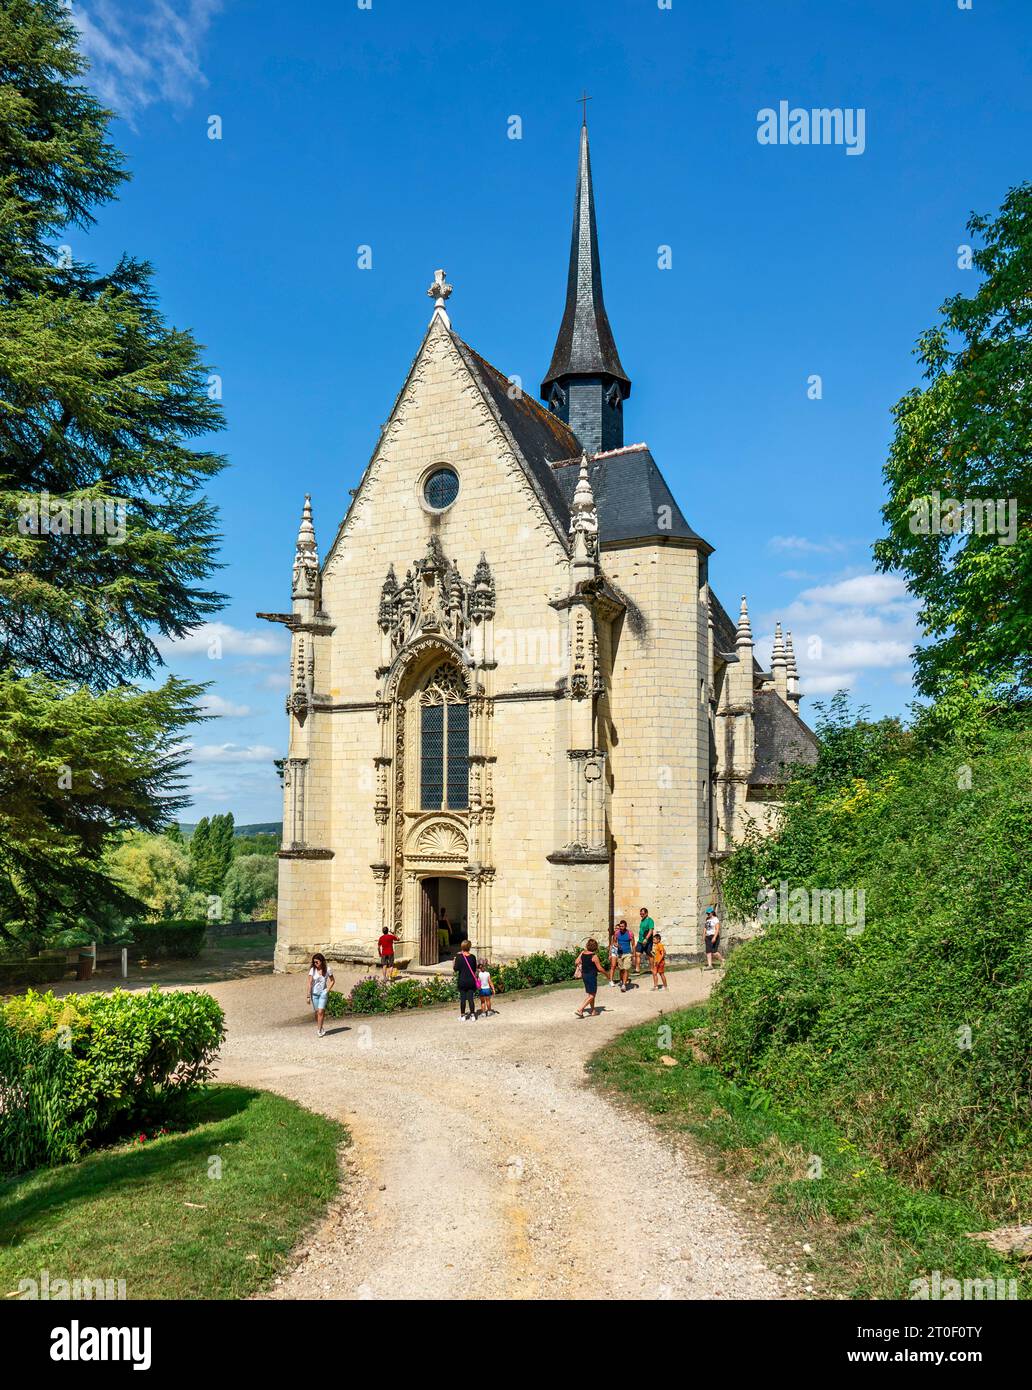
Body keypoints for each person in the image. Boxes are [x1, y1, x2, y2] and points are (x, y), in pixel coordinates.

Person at [574, 938, 605, 1018]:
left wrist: (581, 954)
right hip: (591, 976)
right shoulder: (594, 956)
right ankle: (580, 1009)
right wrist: (607, 974)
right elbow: (600, 968)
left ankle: (593, 1010)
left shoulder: (583, 953)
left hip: (584, 975)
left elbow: (576, 962)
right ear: (595, 947)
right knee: (592, 995)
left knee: (591, 994)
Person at [306, 953, 335, 1037]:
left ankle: (319, 1030)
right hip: (314, 994)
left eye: (317, 962)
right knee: (317, 1012)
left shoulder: (328, 969)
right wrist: (308, 996)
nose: (315, 964)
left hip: (323, 993)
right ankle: (321, 1027)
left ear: (321, 961)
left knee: (321, 1011)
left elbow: (332, 981)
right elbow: (309, 983)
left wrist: (327, 990)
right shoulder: (312, 970)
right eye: (314, 962)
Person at [453, 939, 479, 1020]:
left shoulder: (458, 957)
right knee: (471, 999)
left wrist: (454, 961)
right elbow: (474, 969)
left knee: (463, 999)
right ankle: (472, 1015)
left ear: (462, 947)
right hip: (471, 981)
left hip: (462, 980)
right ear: (469, 947)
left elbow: (456, 969)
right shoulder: (473, 957)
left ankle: (463, 1016)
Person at [615, 919, 634, 991]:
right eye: (620, 926)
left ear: (625, 926)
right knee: (621, 969)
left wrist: (633, 954)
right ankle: (621, 980)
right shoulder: (617, 933)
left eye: (622, 926)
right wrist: (617, 945)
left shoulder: (630, 933)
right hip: (620, 954)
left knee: (626, 969)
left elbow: (633, 944)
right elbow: (614, 942)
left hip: (628, 953)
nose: (621, 927)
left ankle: (624, 985)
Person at [635, 907, 655, 973]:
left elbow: (651, 930)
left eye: (643, 914)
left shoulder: (650, 920)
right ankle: (637, 969)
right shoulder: (642, 920)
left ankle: (652, 969)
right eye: (640, 914)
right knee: (637, 954)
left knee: (649, 955)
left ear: (646, 913)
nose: (641, 915)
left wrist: (646, 939)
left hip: (647, 941)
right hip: (640, 941)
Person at [607, 921, 620, 987]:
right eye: (616, 928)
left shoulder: (621, 935)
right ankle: (611, 980)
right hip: (614, 951)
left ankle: (622, 979)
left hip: (620, 951)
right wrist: (609, 954)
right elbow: (611, 945)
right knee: (613, 966)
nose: (616, 929)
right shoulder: (613, 936)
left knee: (621, 966)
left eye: (618, 928)